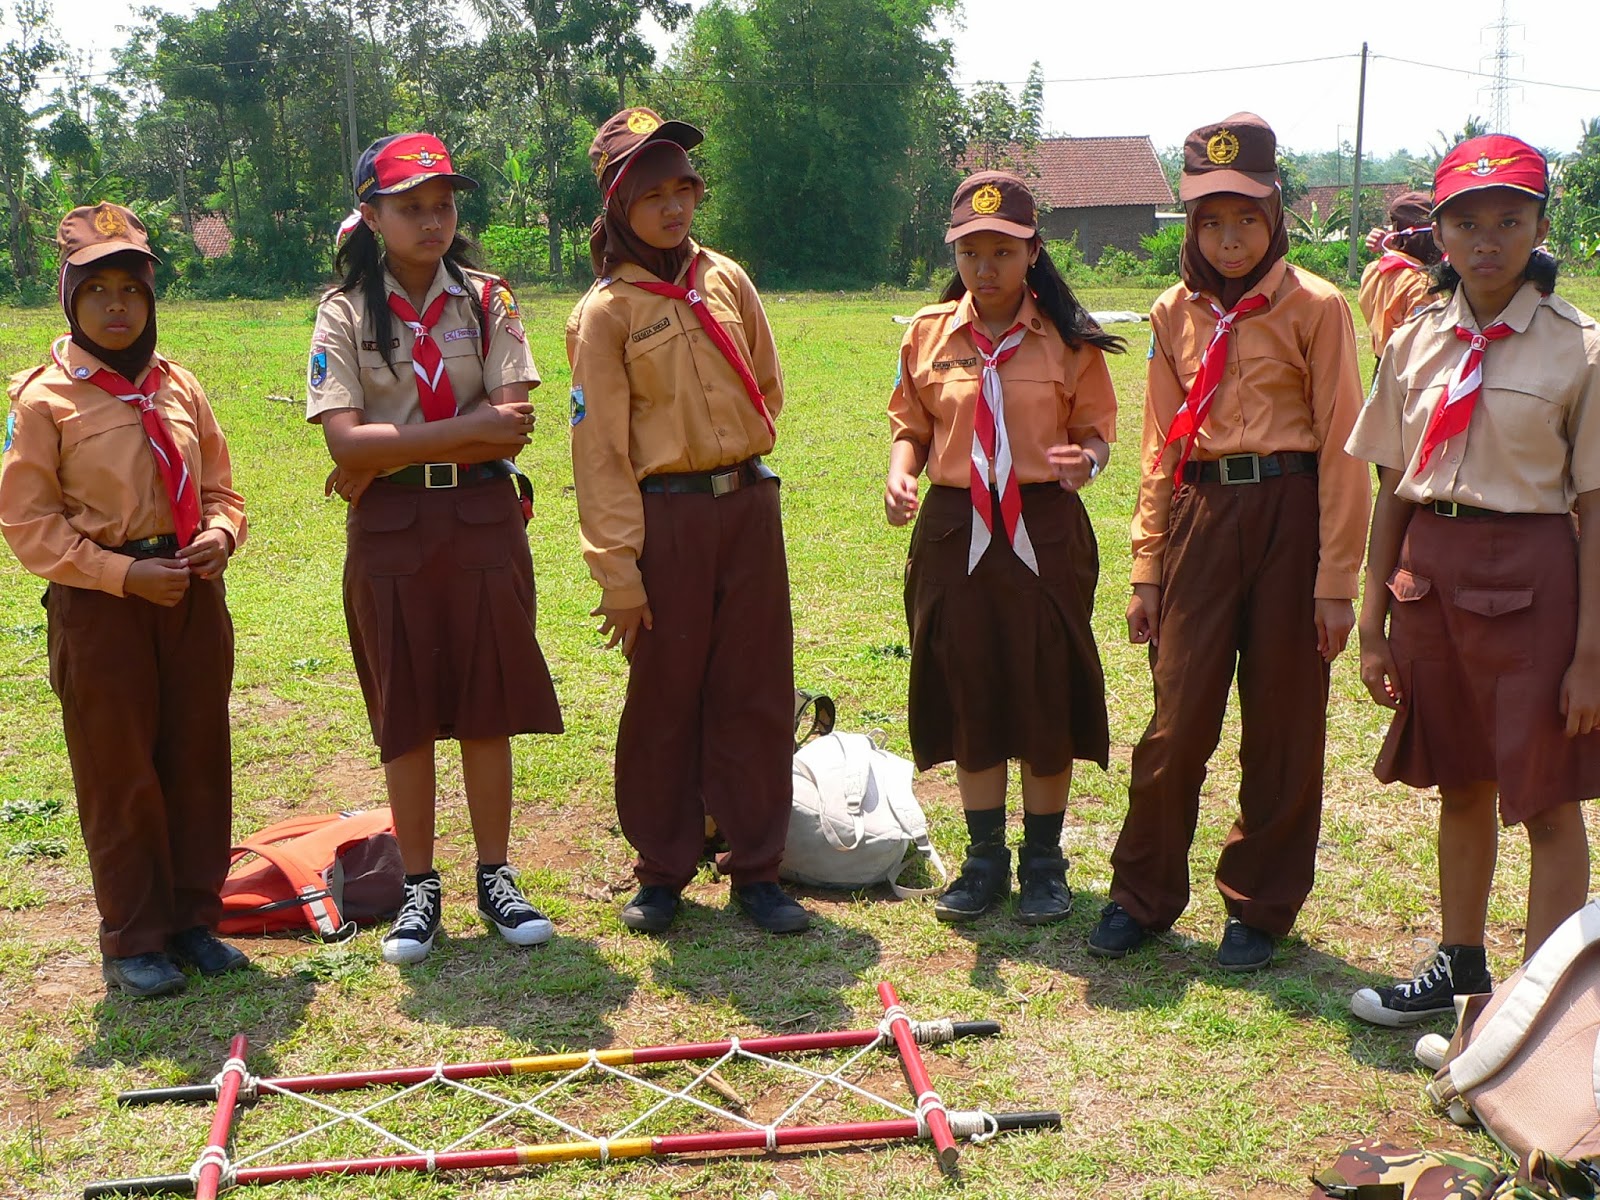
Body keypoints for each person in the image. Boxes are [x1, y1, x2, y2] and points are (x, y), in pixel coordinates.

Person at [1091, 113, 1369, 971]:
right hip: (1201, 520)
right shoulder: (1174, 312)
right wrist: (1146, 565)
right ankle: (1143, 893)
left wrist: (1335, 579)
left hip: (1291, 514)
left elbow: (1344, 449)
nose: (1229, 236)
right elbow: (1158, 446)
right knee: (1176, 720)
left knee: (1284, 723)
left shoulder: (1318, 308)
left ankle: (1259, 902)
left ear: (1275, 211)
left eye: (1246, 216)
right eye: (1210, 219)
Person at [1345, 135, 1600, 1026]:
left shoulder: (1581, 350)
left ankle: (1543, 1010)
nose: (1487, 239)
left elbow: (1596, 510)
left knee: (1547, 796)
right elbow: (1390, 487)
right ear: (1440, 235)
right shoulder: (1415, 342)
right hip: (1431, 576)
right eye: (1466, 222)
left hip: (1535, 574)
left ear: (1538, 228)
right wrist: (1372, 617)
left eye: (1509, 220)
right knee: (1460, 781)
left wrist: (1591, 655)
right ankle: (1460, 969)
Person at [306, 132, 564, 965]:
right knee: (406, 710)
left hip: (484, 521)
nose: (431, 220)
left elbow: (513, 428)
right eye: (410, 206)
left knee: (488, 702)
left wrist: (395, 445)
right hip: (391, 533)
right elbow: (345, 444)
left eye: (443, 203)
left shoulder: (490, 299)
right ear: (374, 216)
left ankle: (496, 873)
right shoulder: (343, 312)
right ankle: (421, 885)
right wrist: (467, 431)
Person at [565, 107, 810, 936]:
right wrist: (619, 574)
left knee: (756, 690)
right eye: (651, 193)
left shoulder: (725, 279)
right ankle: (663, 869)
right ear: (615, 204)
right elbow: (599, 453)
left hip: (746, 507)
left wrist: (735, 460)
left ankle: (757, 869)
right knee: (665, 695)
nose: (673, 208)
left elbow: (766, 385)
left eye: (684, 189)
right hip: (666, 521)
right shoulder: (607, 313)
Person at [0, 203, 248, 997]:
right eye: (98, 289)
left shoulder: (179, 386)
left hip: (190, 593)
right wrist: (119, 574)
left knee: (198, 755)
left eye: (132, 289)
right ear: (70, 298)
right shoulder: (43, 401)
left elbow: (221, 490)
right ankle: (135, 936)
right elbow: (28, 524)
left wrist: (220, 535)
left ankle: (194, 921)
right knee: (119, 770)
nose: (117, 306)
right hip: (100, 603)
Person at [884, 171, 1121, 924]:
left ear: (1032, 253)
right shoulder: (928, 334)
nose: (984, 268)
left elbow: (1096, 432)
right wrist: (900, 478)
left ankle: (1044, 864)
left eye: (1001, 251)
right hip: (954, 534)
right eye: (971, 252)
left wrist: (1088, 460)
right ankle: (984, 859)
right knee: (969, 683)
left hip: (1043, 531)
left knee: (1045, 683)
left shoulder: (1069, 339)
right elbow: (910, 427)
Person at [1357, 190, 1440, 361]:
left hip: (1383, 366)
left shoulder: (1374, 270)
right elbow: (1420, 345)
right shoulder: (1419, 284)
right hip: (1407, 371)